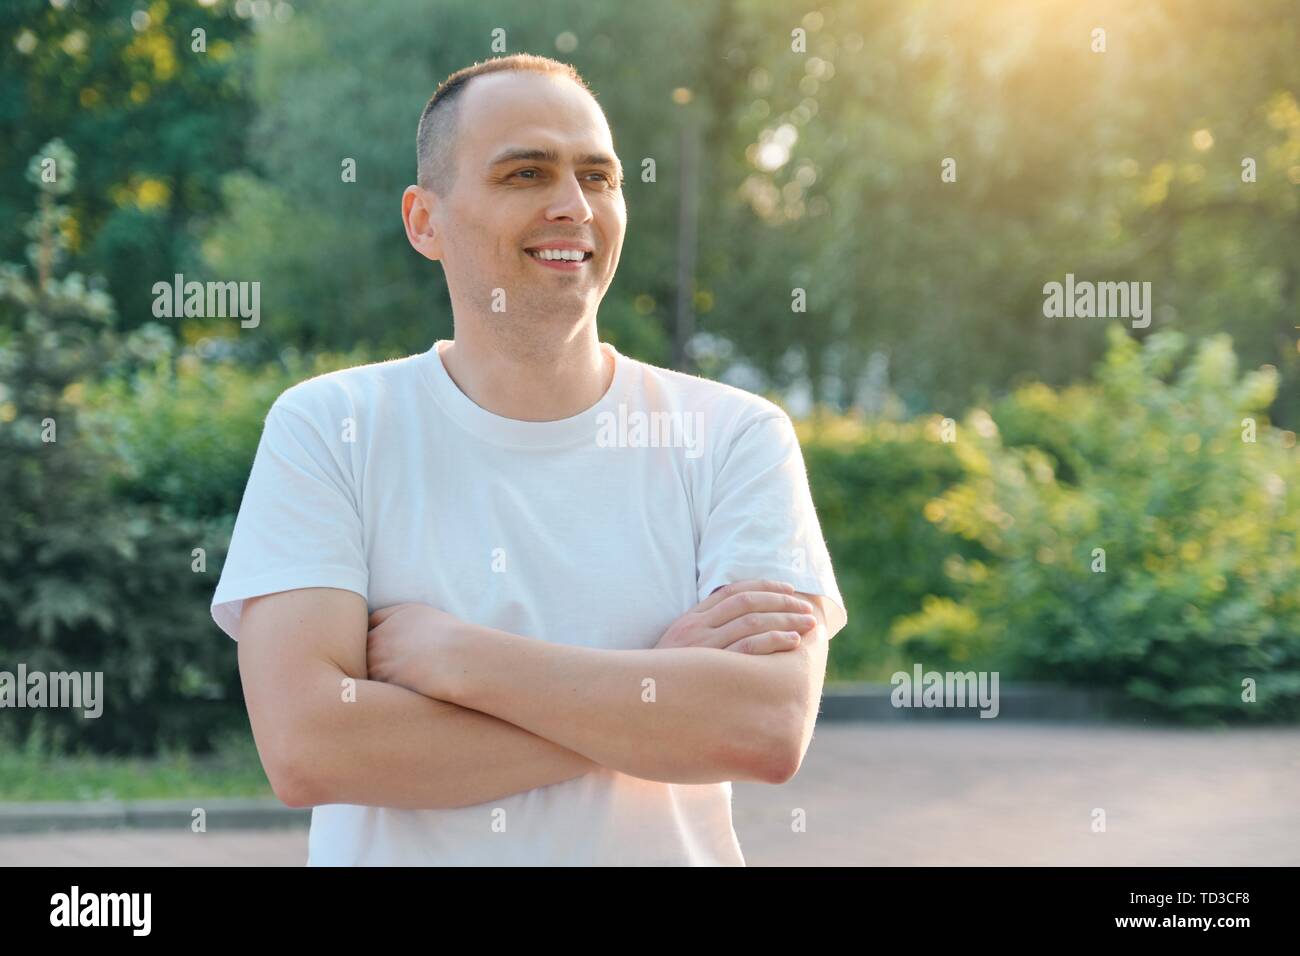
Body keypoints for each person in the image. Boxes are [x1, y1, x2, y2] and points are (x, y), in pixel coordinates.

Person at [210, 53, 847, 866]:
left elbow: (761, 730)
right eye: (525, 173)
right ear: (424, 221)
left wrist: (457, 660)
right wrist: (654, 690)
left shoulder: (733, 436)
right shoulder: (330, 428)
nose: (573, 206)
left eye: (599, 177)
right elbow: (311, 748)